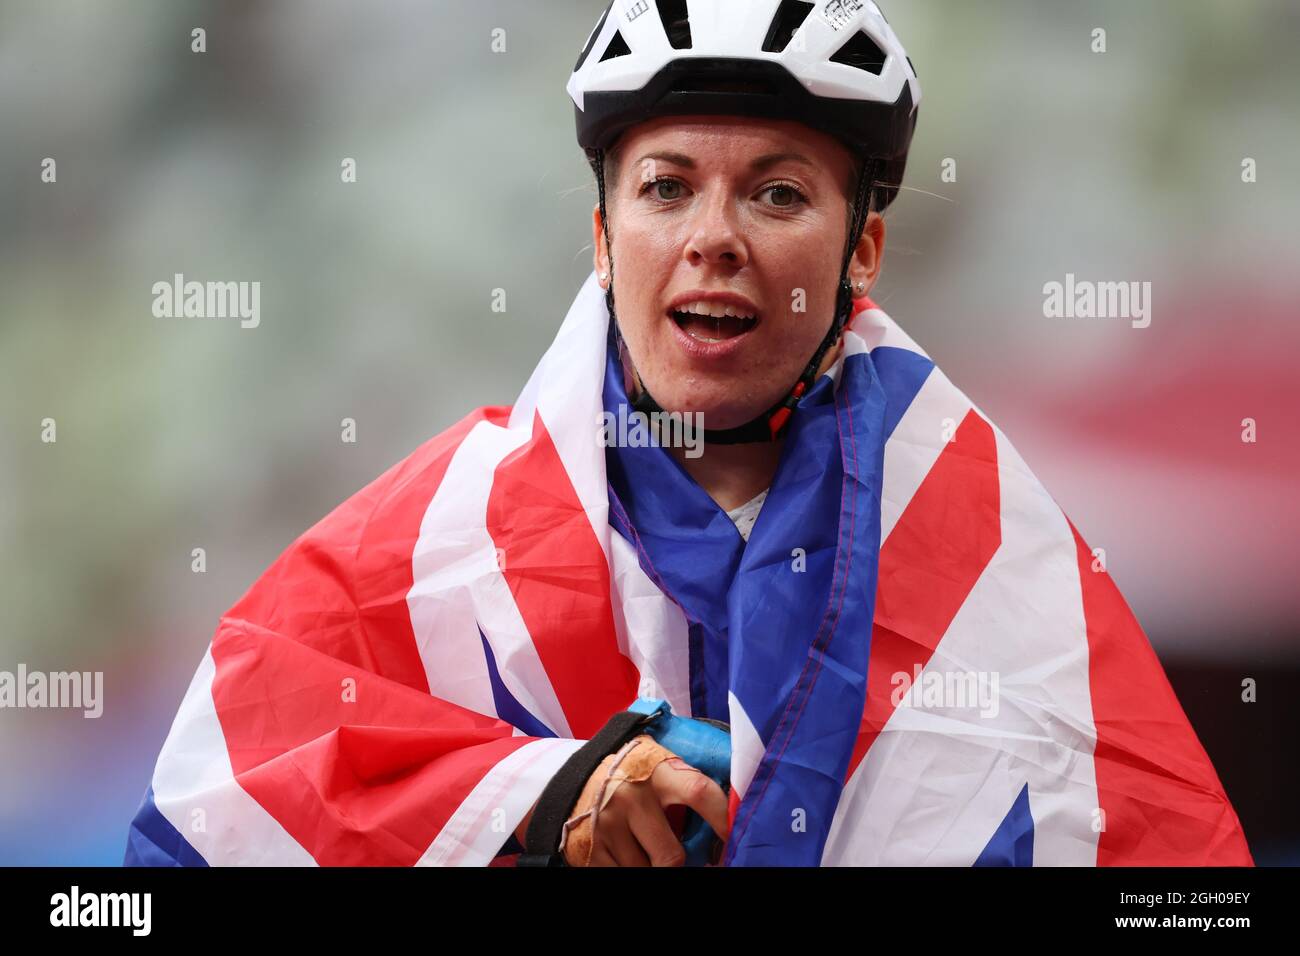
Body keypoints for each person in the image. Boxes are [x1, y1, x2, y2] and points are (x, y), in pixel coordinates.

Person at [125, 0, 1252, 868]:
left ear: (862, 251)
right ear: (603, 237)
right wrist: (539, 801)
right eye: (666, 188)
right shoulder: (417, 550)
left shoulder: (1004, 557)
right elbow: (199, 833)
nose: (713, 237)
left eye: (776, 194)